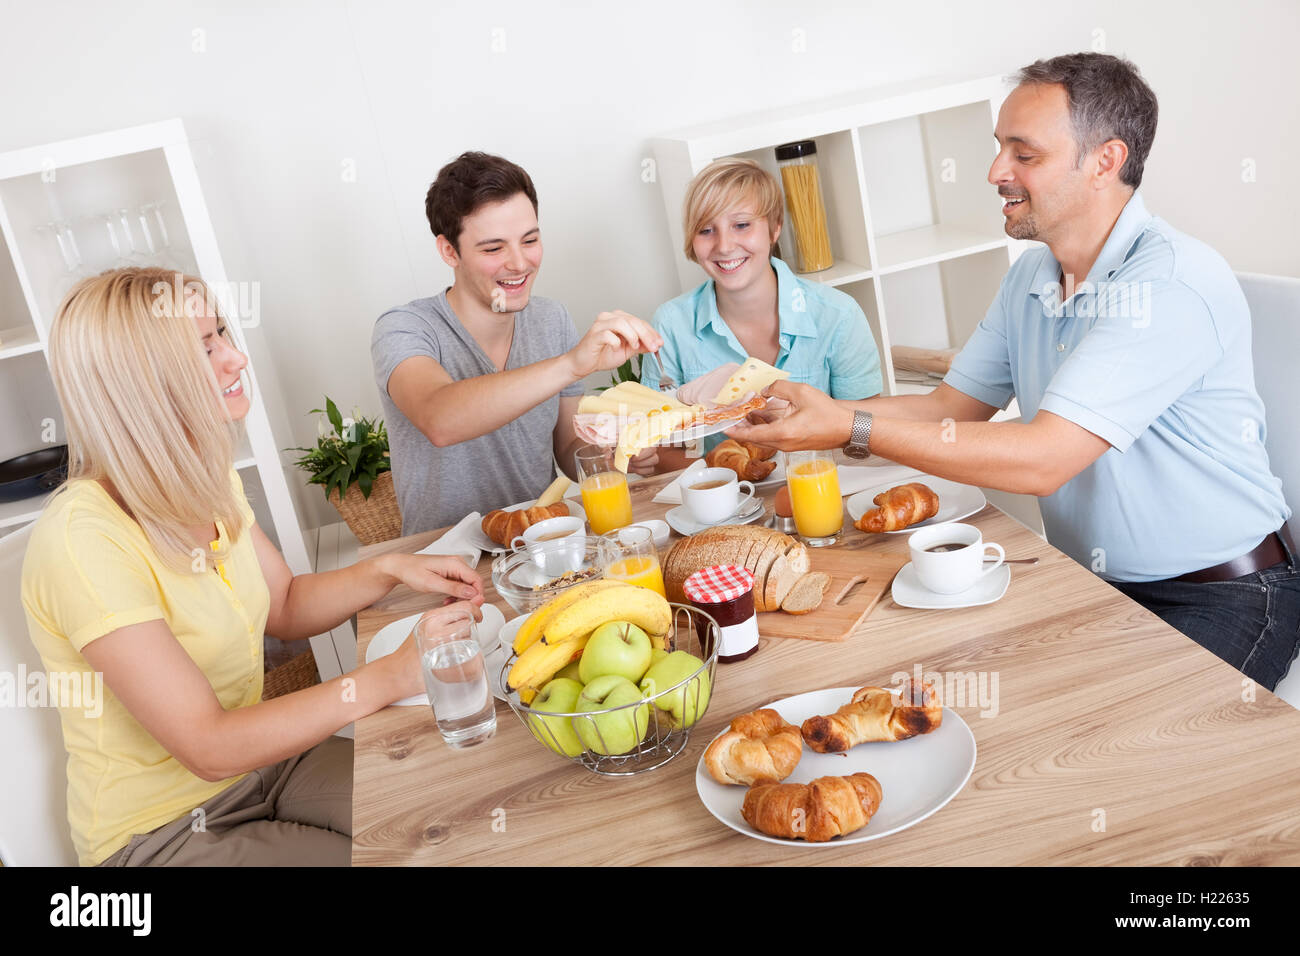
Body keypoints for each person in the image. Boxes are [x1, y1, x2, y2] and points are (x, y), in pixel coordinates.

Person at [729, 53, 1299, 690]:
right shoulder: (1033, 274)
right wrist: (815, 409)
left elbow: (1044, 459)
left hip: (1224, 594)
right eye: (1000, 148)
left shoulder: (1167, 284)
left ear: (1106, 161)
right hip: (1097, 584)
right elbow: (951, 409)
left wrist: (850, 428)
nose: (996, 171)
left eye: (1024, 154)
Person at [22, 268, 485, 866]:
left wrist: (391, 569)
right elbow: (209, 747)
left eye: (222, 334)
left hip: (270, 764)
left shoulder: (203, 475)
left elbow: (286, 604)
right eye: (205, 347)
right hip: (160, 832)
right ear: (140, 383)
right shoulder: (80, 540)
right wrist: (391, 677)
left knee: (449, 813)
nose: (236, 358)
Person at [372, 151, 661, 534]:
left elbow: (567, 445)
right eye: (493, 249)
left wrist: (613, 455)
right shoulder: (405, 328)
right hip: (443, 556)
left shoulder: (550, 319)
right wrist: (573, 363)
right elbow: (439, 419)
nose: (520, 263)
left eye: (530, 240)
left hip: (543, 537)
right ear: (448, 251)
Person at [644, 157, 882, 471]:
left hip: (823, 486)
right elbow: (662, 446)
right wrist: (645, 454)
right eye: (706, 230)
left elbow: (868, 431)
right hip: (722, 502)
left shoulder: (838, 315)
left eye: (741, 225)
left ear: (774, 227)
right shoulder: (671, 324)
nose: (725, 246)